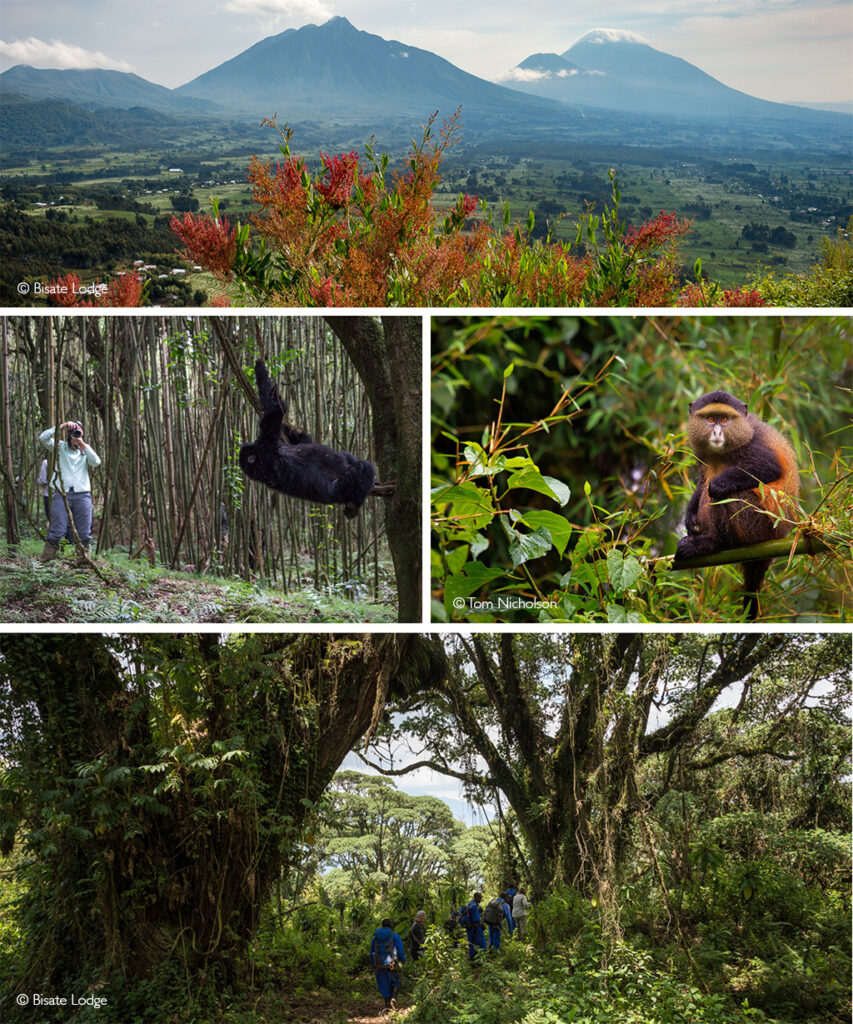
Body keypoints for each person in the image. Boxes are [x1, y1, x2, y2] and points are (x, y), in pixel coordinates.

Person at [38, 421, 101, 561]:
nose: (76, 434)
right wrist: (60, 426)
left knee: (84, 532)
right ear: (68, 434)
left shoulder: (85, 450)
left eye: (79, 432)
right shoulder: (60, 447)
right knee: (58, 530)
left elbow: (96, 462)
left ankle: (83, 563)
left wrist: (82, 445)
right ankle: (45, 563)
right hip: (61, 493)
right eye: (74, 432)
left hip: (82, 494)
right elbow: (43, 438)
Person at [370, 918, 405, 1011]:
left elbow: (372, 953)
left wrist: (374, 965)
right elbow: (400, 952)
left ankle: (387, 1006)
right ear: (391, 926)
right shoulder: (395, 936)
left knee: (383, 985)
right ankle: (393, 998)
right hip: (392, 964)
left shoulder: (376, 938)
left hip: (379, 965)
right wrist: (403, 961)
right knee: (395, 981)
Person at [460, 892, 486, 960]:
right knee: (481, 942)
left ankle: (472, 957)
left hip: (470, 927)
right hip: (475, 928)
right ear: (476, 897)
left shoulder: (470, 904)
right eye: (480, 898)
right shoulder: (474, 906)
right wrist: (481, 923)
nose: (480, 899)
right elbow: (476, 919)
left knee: (471, 942)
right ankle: (481, 958)